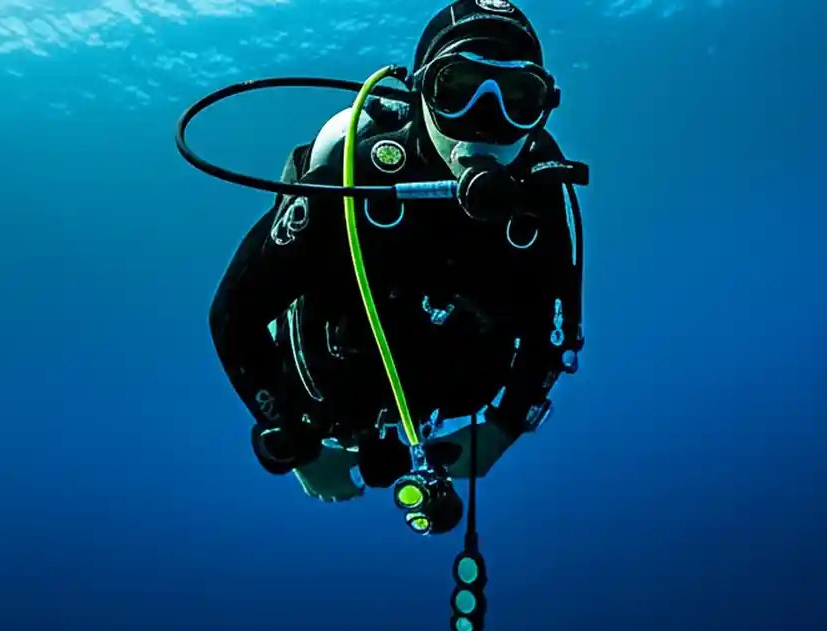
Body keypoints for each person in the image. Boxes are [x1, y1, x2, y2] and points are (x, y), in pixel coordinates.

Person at [207, 0, 585, 521]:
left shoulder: (539, 201)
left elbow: (553, 328)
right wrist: (297, 443)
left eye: (518, 99)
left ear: (543, 109)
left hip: (450, 397)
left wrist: (505, 426)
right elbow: (235, 313)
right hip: (331, 402)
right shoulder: (350, 182)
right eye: (456, 90)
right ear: (421, 92)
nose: (485, 123)